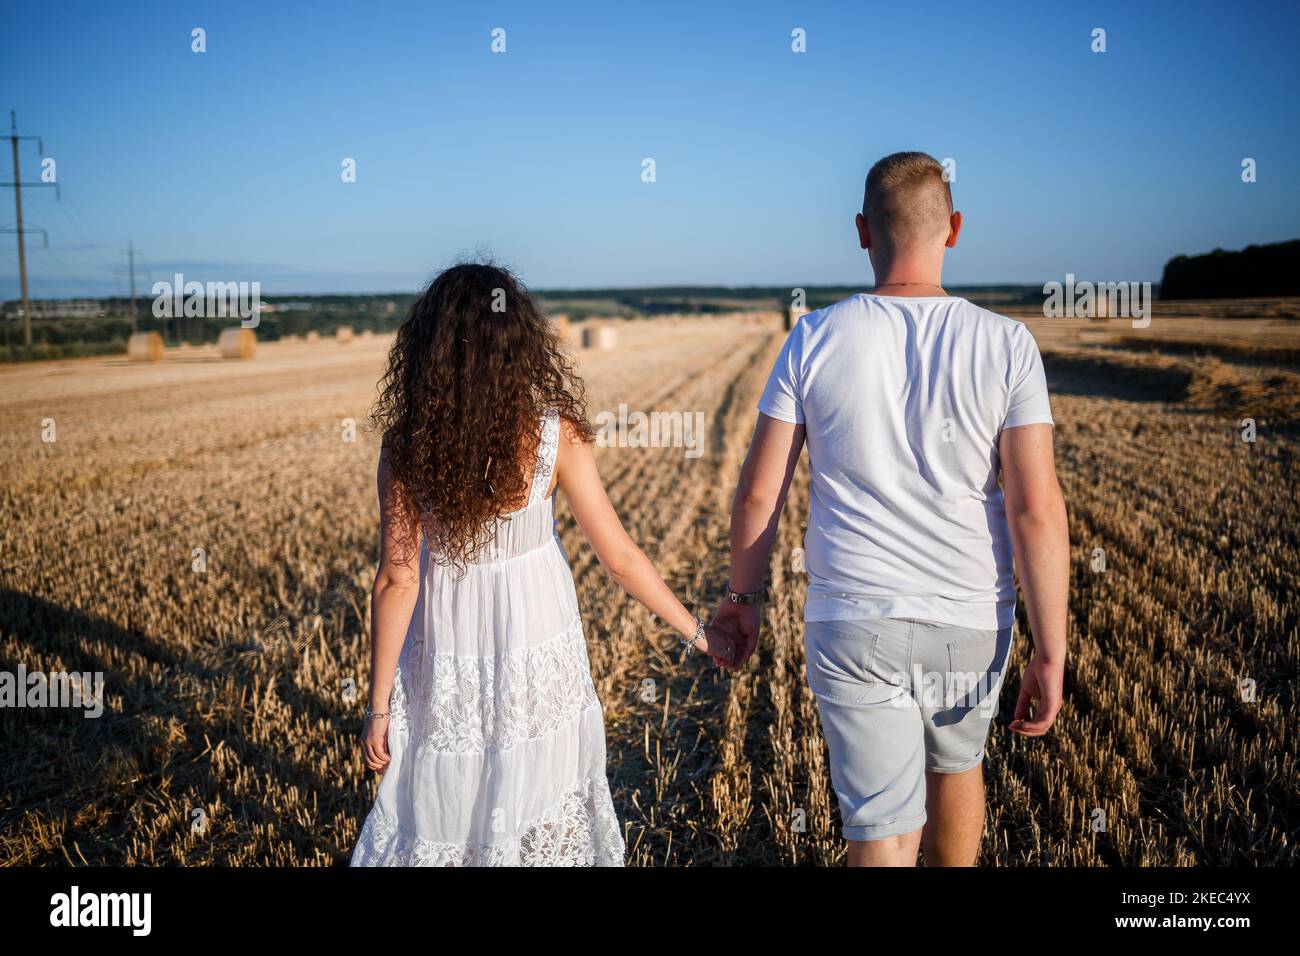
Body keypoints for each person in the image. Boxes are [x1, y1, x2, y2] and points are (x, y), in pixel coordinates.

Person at [712, 152, 1068, 866]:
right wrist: (1052, 649)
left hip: (853, 619)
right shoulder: (1006, 343)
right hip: (969, 616)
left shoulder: (814, 336)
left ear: (861, 232)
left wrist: (742, 598)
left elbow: (759, 490)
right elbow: (1035, 507)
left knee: (881, 825)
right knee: (957, 770)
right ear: (955, 229)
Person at [350, 262, 732, 866]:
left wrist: (378, 709)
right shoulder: (556, 436)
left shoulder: (406, 444)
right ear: (519, 344)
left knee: (449, 800)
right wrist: (699, 633)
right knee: (538, 800)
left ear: (426, 350)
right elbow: (622, 559)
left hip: (449, 647)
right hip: (536, 641)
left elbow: (397, 580)